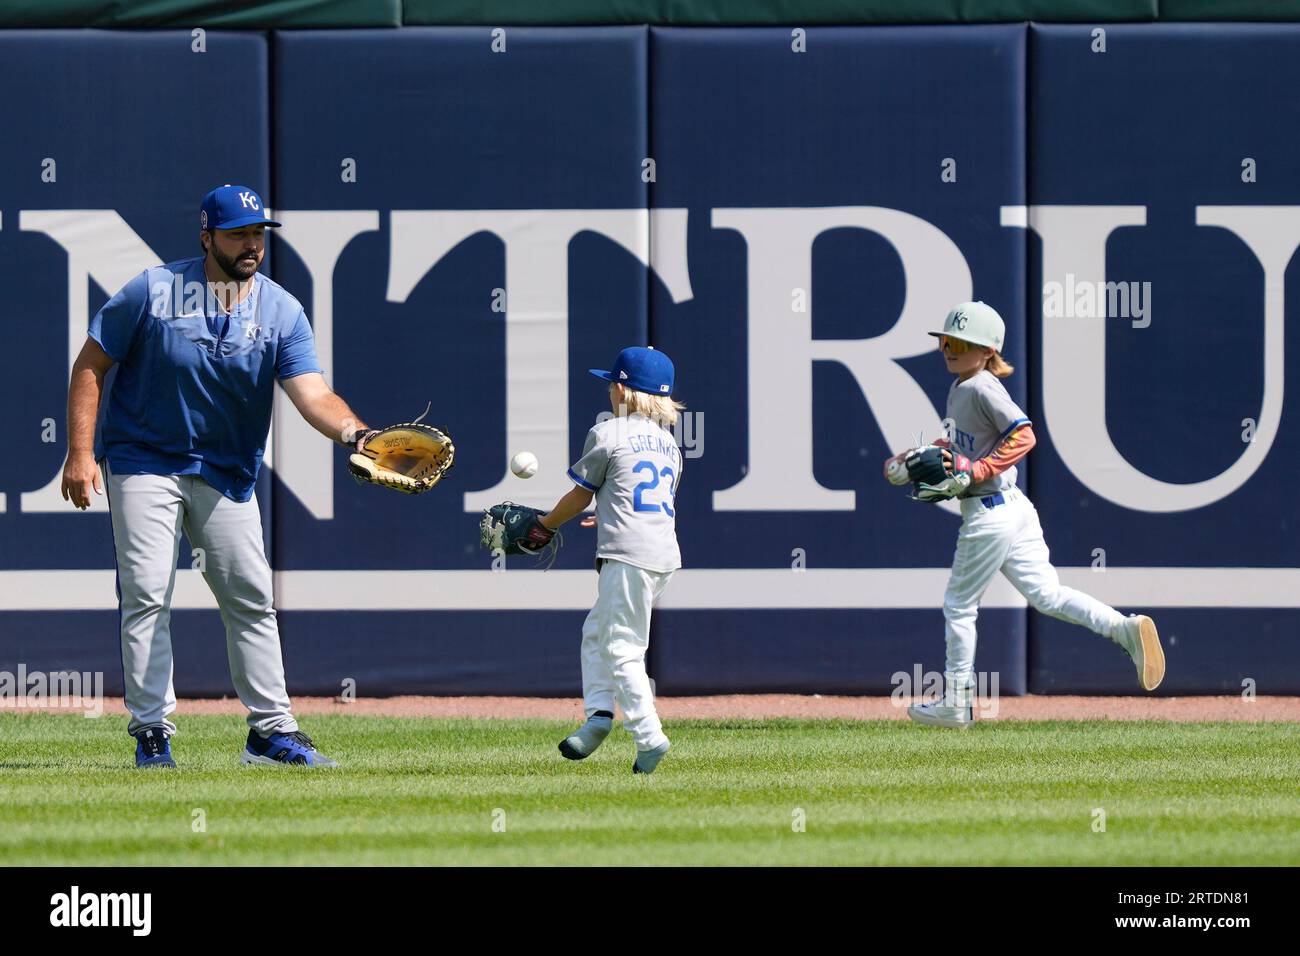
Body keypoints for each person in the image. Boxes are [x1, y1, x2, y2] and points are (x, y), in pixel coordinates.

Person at [61, 184, 376, 768]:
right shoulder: (153, 291)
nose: (252, 244)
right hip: (143, 459)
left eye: (258, 233)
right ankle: (153, 732)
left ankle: (270, 734)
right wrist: (80, 453)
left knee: (251, 597)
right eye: (237, 234)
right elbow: (91, 362)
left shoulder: (281, 309)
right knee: (148, 593)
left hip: (225, 471)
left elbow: (313, 395)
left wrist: (358, 435)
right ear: (207, 237)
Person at [884, 301, 1165, 729]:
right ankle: (1124, 629)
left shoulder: (980, 386)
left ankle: (956, 704)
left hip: (988, 512)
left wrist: (977, 469)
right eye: (945, 340)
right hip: (1014, 508)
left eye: (961, 343)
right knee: (1048, 595)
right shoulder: (964, 387)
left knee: (959, 606)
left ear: (987, 352)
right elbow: (971, 441)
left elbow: (1024, 434)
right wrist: (938, 450)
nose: (949, 349)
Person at [539, 347, 684, 773]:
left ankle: (649, 736)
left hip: (628, 557)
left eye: (611, 383)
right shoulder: (669, 445)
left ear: (621, 388)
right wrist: (607, 515)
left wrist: (546, 524)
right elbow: (641, 498)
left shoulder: (608, 432)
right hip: (661, 554)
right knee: (597, 632)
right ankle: (598, 719)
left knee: (622, 648)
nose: (608, 389)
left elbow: (581, 494)